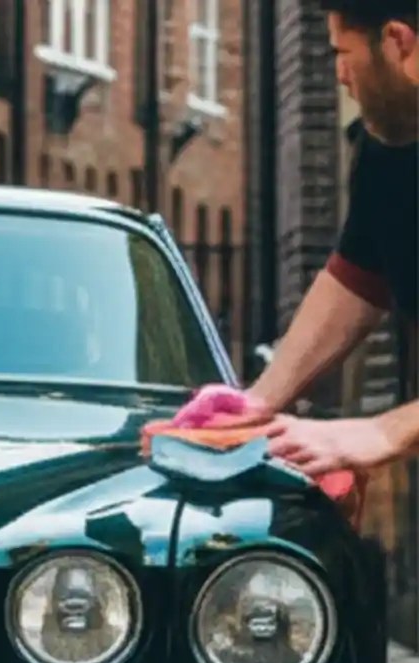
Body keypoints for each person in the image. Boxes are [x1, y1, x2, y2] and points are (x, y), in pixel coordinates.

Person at [173, 0, 418, 477]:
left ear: (397, 42)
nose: (340, 76)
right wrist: (256, 402)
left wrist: (383, 431)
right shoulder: (386, 149)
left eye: (341, 53)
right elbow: (358, 278)